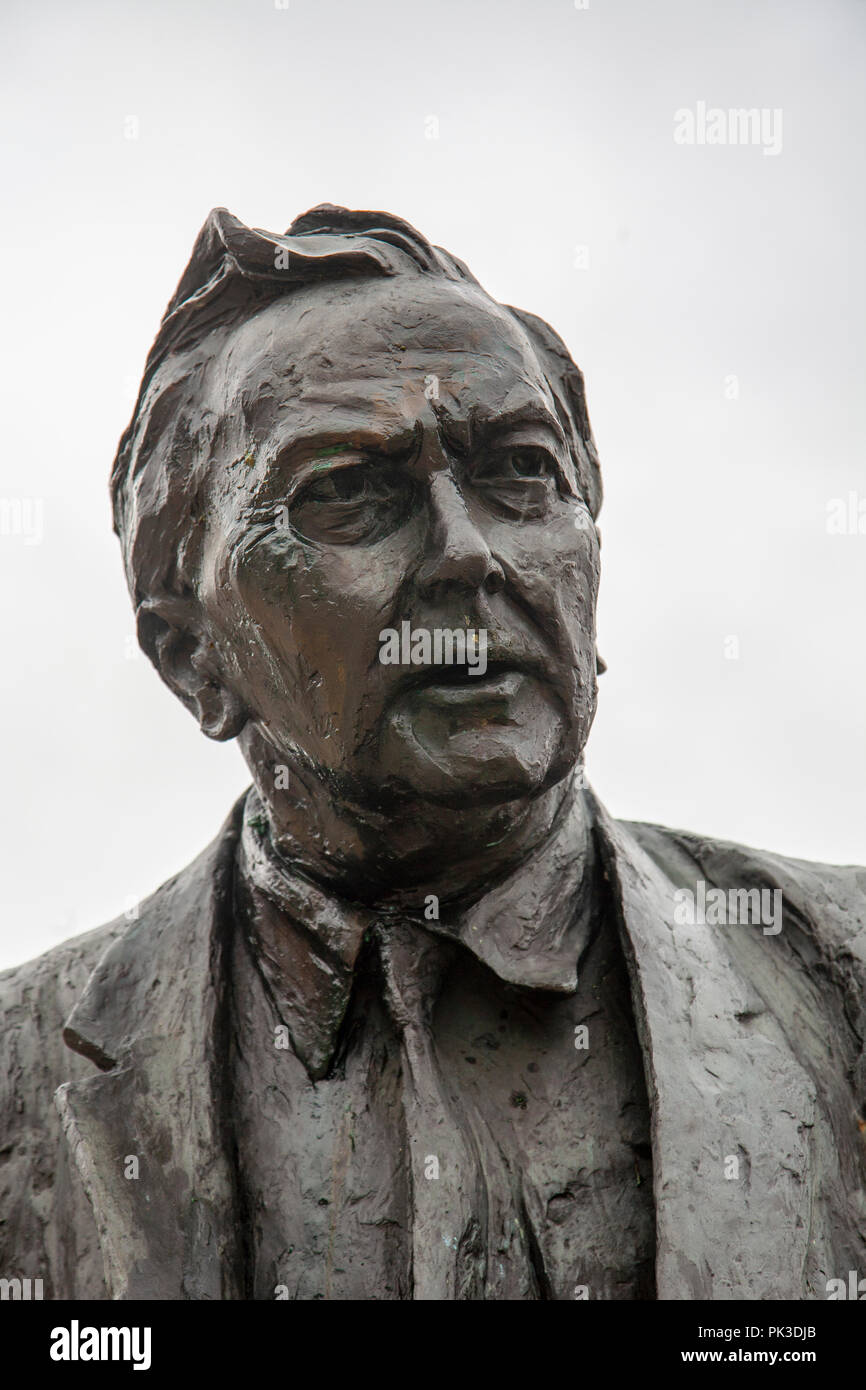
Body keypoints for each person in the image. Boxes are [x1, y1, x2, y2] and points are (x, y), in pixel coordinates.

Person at [2, 205, 864, 1300]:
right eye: (349, 492)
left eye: (518, 471)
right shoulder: (20, 1072)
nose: (468, 553)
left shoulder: (841, 971)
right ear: (192, 659)